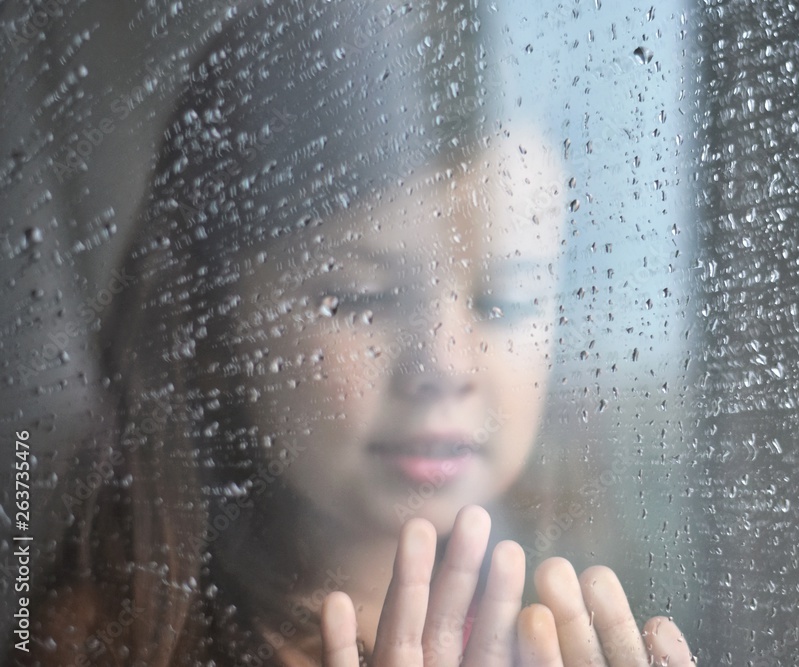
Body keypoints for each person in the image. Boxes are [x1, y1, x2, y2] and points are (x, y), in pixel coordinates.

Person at [22, 1, 695, 665]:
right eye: (362, 299)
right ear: (214, 323)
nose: (444, 362)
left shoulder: (563, 604)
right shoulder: (109, 638)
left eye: (507, 301)